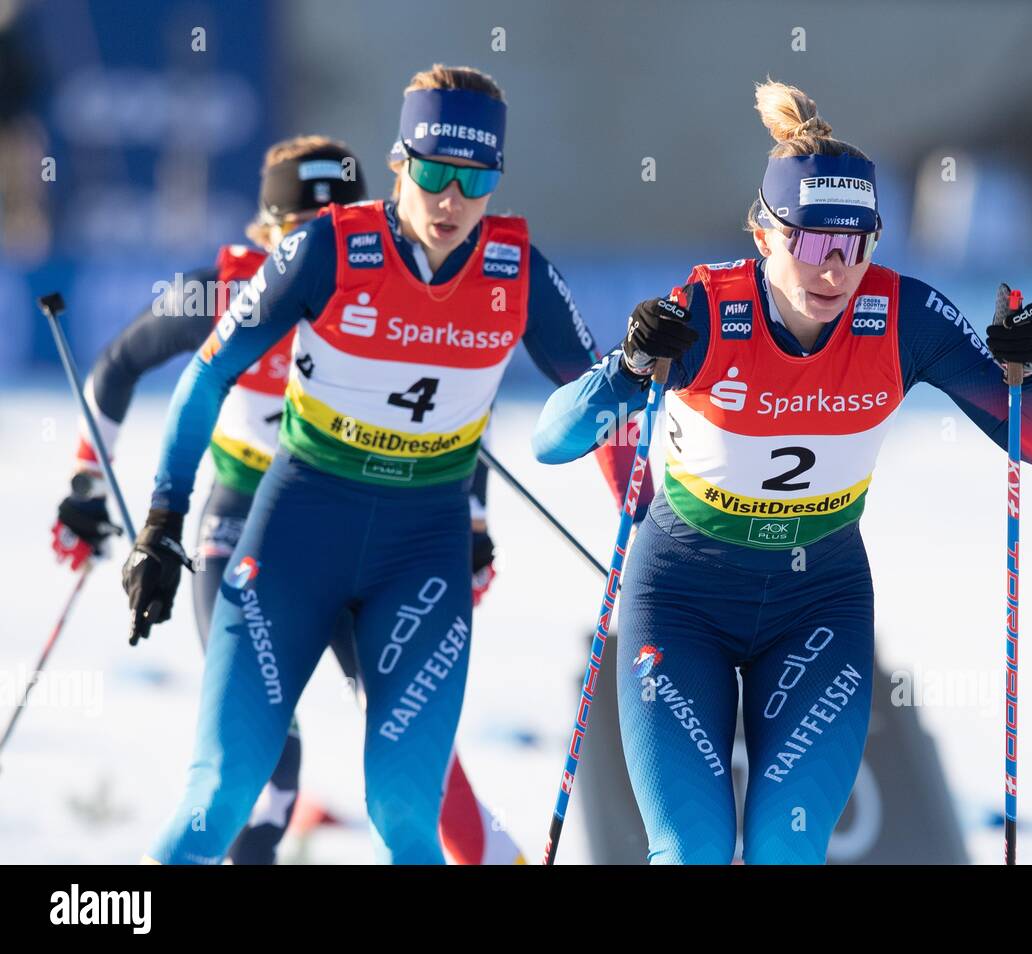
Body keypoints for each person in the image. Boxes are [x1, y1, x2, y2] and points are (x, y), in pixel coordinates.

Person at [532, 80, 1032, 864]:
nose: (837, 269)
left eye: (859, 244)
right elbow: (554, 439)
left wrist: (1031, 371)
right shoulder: (708, 313)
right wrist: (627, 365)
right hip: (681, 600)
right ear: (763, 234)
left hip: (818, 605)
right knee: (692, 851)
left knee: (788, 851)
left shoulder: (903, 317)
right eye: (815, 243)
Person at [120, 64, 646, 864]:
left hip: (420, 557)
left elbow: (598, 401)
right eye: (434, 172)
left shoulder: (518, 271)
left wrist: (631, 511)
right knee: (223, 794)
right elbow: (206, 375)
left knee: (407, 809)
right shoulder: (330, 247)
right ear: (399, 163)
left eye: (475, 180)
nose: (451, 200)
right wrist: (161, 521)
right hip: (297, 533)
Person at [54, 135, 525, 864]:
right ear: (266, 231)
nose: (316, 255)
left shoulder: (390, 284)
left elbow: (467, 410)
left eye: (335, 230)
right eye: (297, 233)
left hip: (379, 533)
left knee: (426, 776)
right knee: (264, 770)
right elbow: (118, 364)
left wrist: (474, 520)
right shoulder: (224, 288)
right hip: (249, 529)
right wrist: (89, 485)